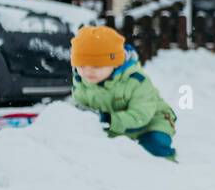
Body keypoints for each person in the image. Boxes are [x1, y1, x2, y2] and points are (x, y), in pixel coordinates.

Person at [70, 25, 178, 160]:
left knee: (153, 146)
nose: (87, 72)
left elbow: (141, 114)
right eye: (81, 66)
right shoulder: (82, 82)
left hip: (150, 122)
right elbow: (80, 106)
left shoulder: (136, 81)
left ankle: (166, 169)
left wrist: (108, 120)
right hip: (113, 125)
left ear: (115, 63)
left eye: (96, 66)